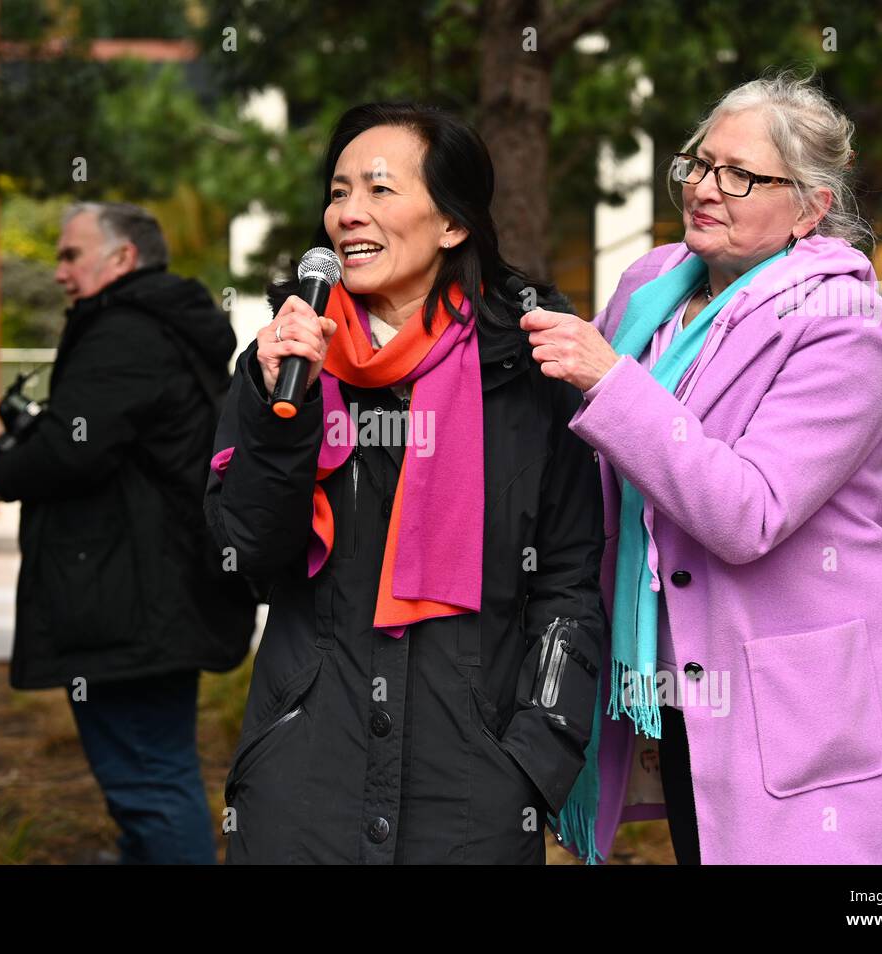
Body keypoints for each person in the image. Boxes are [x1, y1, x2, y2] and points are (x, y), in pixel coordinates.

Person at [522, 71, 882, 864]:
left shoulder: (847, 326)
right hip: (674, 671)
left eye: (740, 175)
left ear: (810, 207)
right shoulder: (653, 287)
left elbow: (749, 512)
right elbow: (591, 452)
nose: (706, 189)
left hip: (795, 692)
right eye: (698, 165)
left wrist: (609, 380)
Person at [205, 102, 608, 864]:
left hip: (473, 789)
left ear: (453, 224)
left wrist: (534, 756)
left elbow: (569, 583)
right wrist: (280, 415)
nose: (348, 214)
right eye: (337, 192)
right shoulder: (283, 366)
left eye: (380, 191)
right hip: (302, 783)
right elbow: (247, 554)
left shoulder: (530, 371)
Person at [0, 201, 235, 864]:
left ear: (122, 258)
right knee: (152, 769)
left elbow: (72, 445)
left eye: (71, 255)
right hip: (153, 592)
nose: (59, 271)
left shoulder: (126, 330)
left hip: (130, 601)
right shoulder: (161, 323)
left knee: (148, 777)